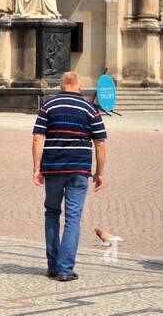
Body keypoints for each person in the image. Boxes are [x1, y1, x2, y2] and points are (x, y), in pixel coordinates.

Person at [32, 70, 107, 281]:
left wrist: (36, 168)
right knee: (73, 217)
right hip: (80, 170)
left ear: (61, 86)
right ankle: (66, 268)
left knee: (52, 213)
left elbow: (38, 139)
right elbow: (100, 144)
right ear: (80, 86)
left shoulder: (48, 106)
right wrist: (99, 173)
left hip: (53, 168)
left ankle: (53, 265)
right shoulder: (90, 109)